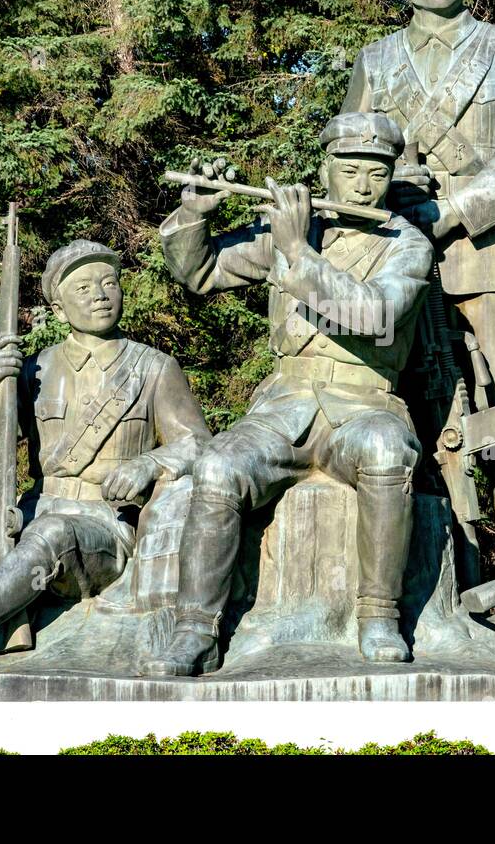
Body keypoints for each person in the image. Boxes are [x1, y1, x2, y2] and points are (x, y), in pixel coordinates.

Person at [143, 112, 433, 676]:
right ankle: (195, 631)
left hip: (364, 404)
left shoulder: (407, 245)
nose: (363, 183)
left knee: (387, 453)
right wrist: (193, 218)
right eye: (349, 169)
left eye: (376, 170)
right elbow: (199, 273)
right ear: (326, 169)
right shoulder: (296, 229)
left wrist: (298, 252)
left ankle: (379, 617)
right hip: (286, 405)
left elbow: (373, 315)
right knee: (220, 468)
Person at [342, 0, 495, 611]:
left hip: (488, 253)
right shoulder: (375, 62)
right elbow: (352, 151)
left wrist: (449, 212)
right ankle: (440, 572)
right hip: (395, 256)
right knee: (408, 409)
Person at [0, 241, 211, 666]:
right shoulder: (33, 369)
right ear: (59, 310)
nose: (100, 294)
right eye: (83, 288)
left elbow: (200, 444)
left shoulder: (154, 368)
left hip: (103, 529)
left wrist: (149, 462)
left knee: (56, 531)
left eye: (109, 283)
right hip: (28, 514)